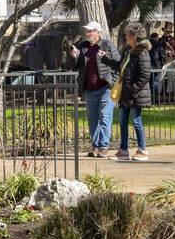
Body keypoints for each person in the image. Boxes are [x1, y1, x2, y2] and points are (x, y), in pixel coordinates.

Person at [69, 21, 120, 157]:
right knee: (92, 119)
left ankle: (103, 146)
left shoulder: (107, 45)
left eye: (91, 31)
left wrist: (112, 82)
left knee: (105, 117)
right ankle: (96, 146)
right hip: (89, 89)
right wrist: (74, 57)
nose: (88, 33)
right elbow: (75, 67)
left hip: (105, 88)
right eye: (87, 31)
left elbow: (118, 64)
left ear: (98, 32)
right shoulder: (83, 47)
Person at [115, 23, 152, 161]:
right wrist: (105, 58)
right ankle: (123, 150)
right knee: (123, 121)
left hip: (136, 94)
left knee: (136, 121)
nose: (125, 37)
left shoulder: (142, 52)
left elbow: (144, 75)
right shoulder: (128, 51)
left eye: (128, 35)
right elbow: (121, 67)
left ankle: (142, 149)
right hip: (126, 93)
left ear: (134, 36)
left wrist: (133, 89)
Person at [148, 31, 166, 103]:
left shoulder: (147, 45)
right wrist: (161, 65)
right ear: (156, 38)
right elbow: (163, 57)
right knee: (154, 84)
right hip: (156, 68)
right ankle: (154, 99)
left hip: (147, 68)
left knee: (149, 84)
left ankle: (149, 99)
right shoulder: (159, 45)